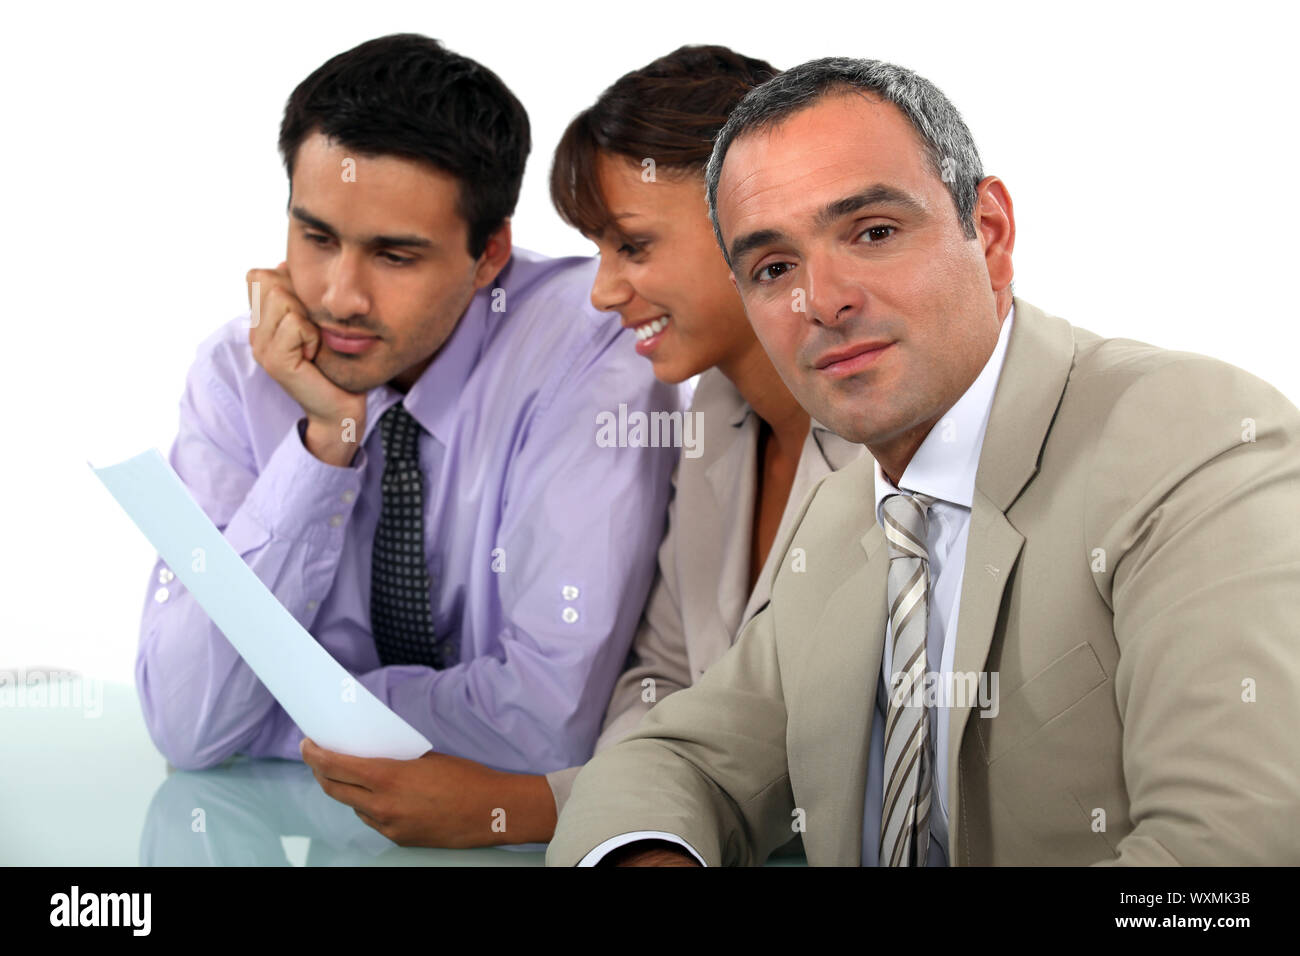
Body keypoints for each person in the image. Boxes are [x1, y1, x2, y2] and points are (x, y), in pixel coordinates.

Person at [547, 56, 1300, 866]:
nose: (822, 300)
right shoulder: (845, 517)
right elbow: (681, 760)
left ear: (992, 235)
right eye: (773, 269)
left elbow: (1229, 861)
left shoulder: (1194, 438)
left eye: (873, 232)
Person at [298, 45, 864, 848]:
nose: (601, 291)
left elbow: (831, 755)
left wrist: (527, 805)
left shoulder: (889, 435)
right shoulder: (714, 417)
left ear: (752, 220)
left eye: (632, 247)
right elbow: (660, 683)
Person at [135, 34, 680, 776]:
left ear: (491, 254)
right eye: (316, 236)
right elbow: (187, 722)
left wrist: (279, 710)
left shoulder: (591, 350)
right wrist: (324, 443)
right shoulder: (240, 373)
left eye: (395, 256)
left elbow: (547, 726)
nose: (338, 297)